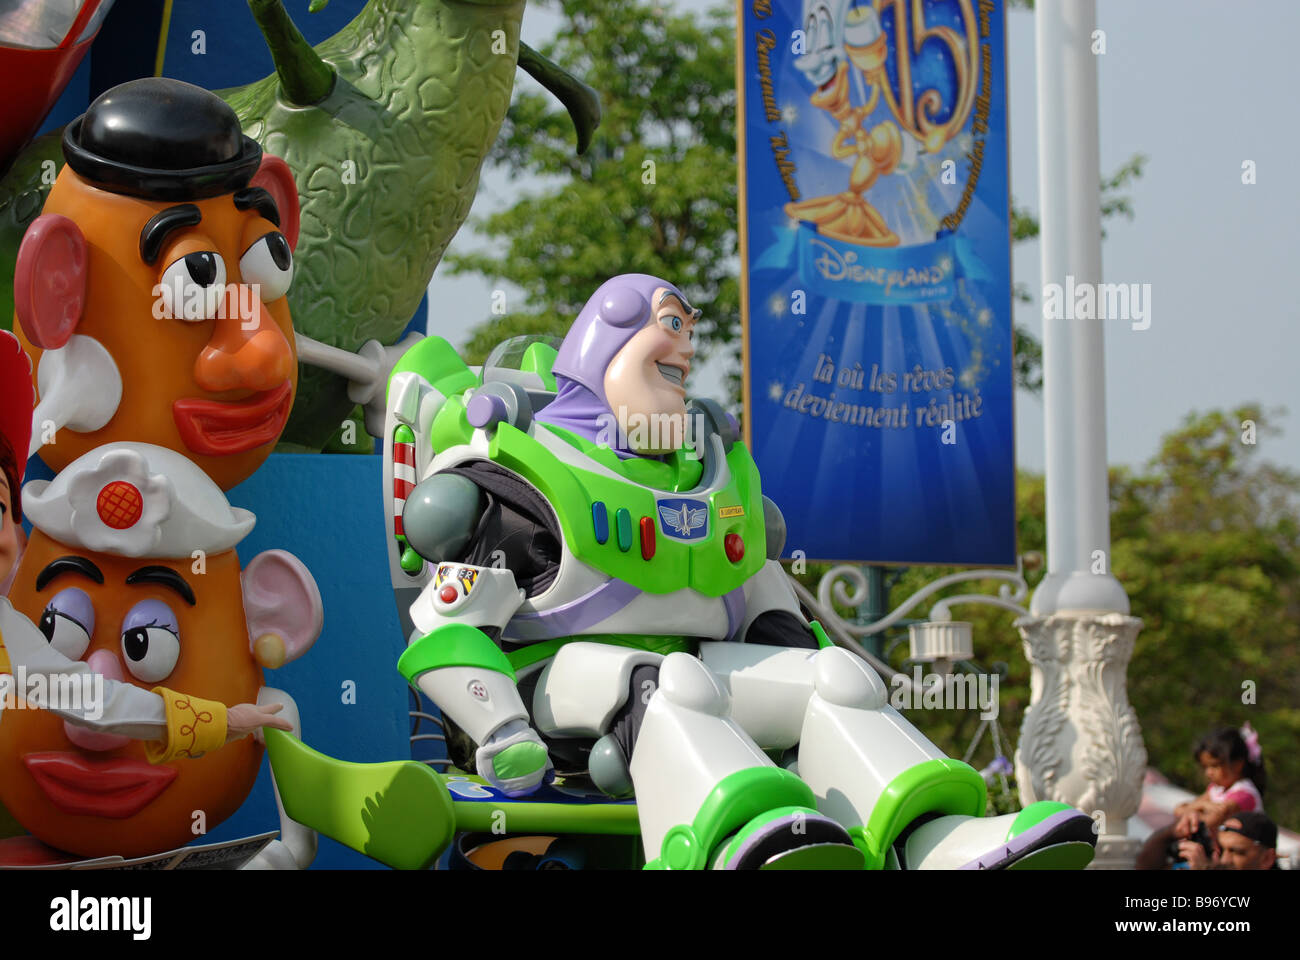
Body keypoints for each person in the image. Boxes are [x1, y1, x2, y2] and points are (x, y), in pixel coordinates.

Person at [1173, 725, 1266, 837]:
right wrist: (1204, 805)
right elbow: (1177, 810)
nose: (1208, 773)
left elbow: (1208, 821)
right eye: (1205, 767)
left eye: (1214, 766)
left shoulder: (1244, 794)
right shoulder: (1216, 789)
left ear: (1238, 765)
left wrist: (1194, 809)